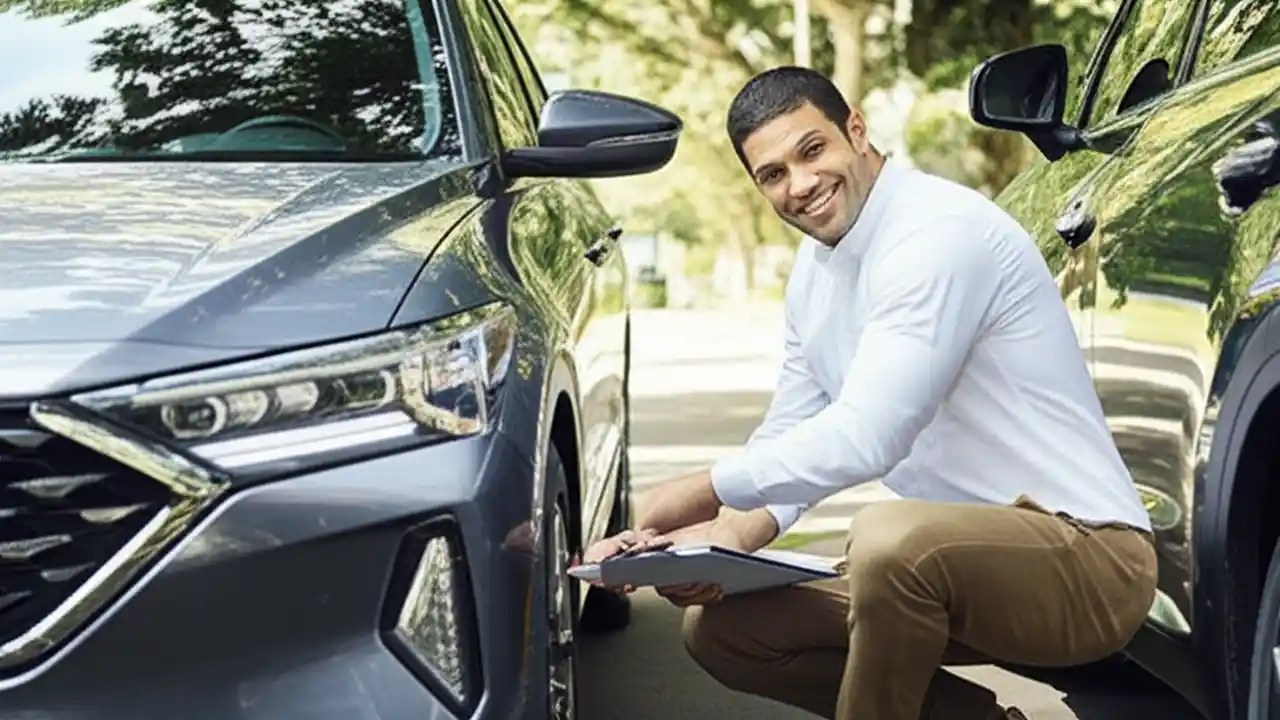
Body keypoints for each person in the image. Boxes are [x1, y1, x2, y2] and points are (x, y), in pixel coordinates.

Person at [581, 66, 1157, 720]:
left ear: (856, 129)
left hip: (1088, 564)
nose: (799, 185)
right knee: (726, 631)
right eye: (772, 175)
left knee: (885, 537)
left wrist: (705, 485)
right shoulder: (816, 271)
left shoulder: (936, 233)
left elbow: (870, 436)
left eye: (811, 150)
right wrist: (710, 545)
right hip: (946, 574)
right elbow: (793, 434)